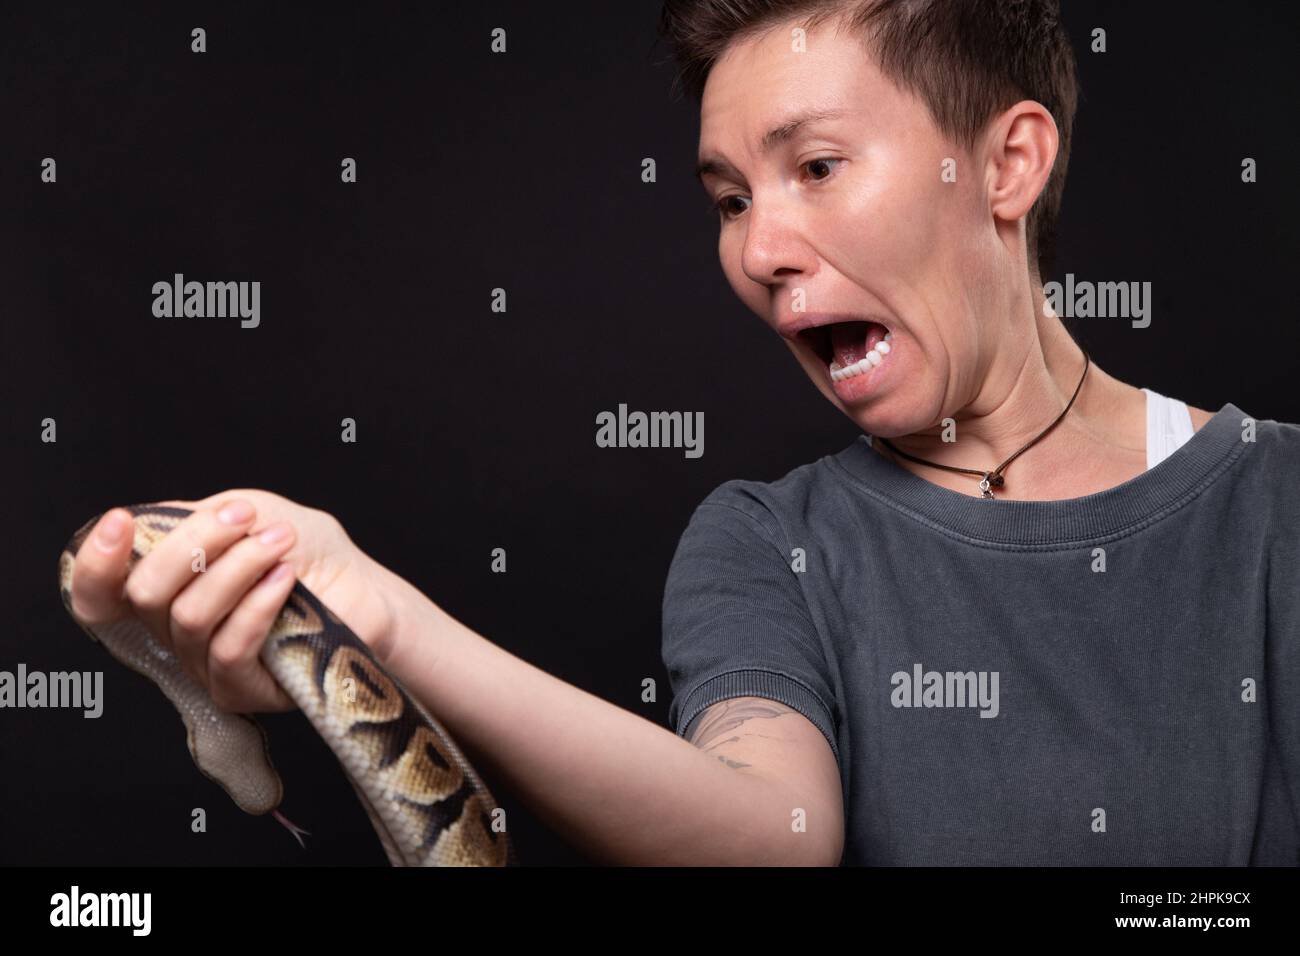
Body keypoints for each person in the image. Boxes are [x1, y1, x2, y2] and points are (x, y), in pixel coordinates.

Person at [68, 0, 1299, 866]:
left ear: (1005, 163)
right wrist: (376, 615)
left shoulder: (1276, 507)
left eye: (814, 166)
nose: (758, 252)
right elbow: (775, 838)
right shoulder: (767, 543)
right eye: (727, 199)